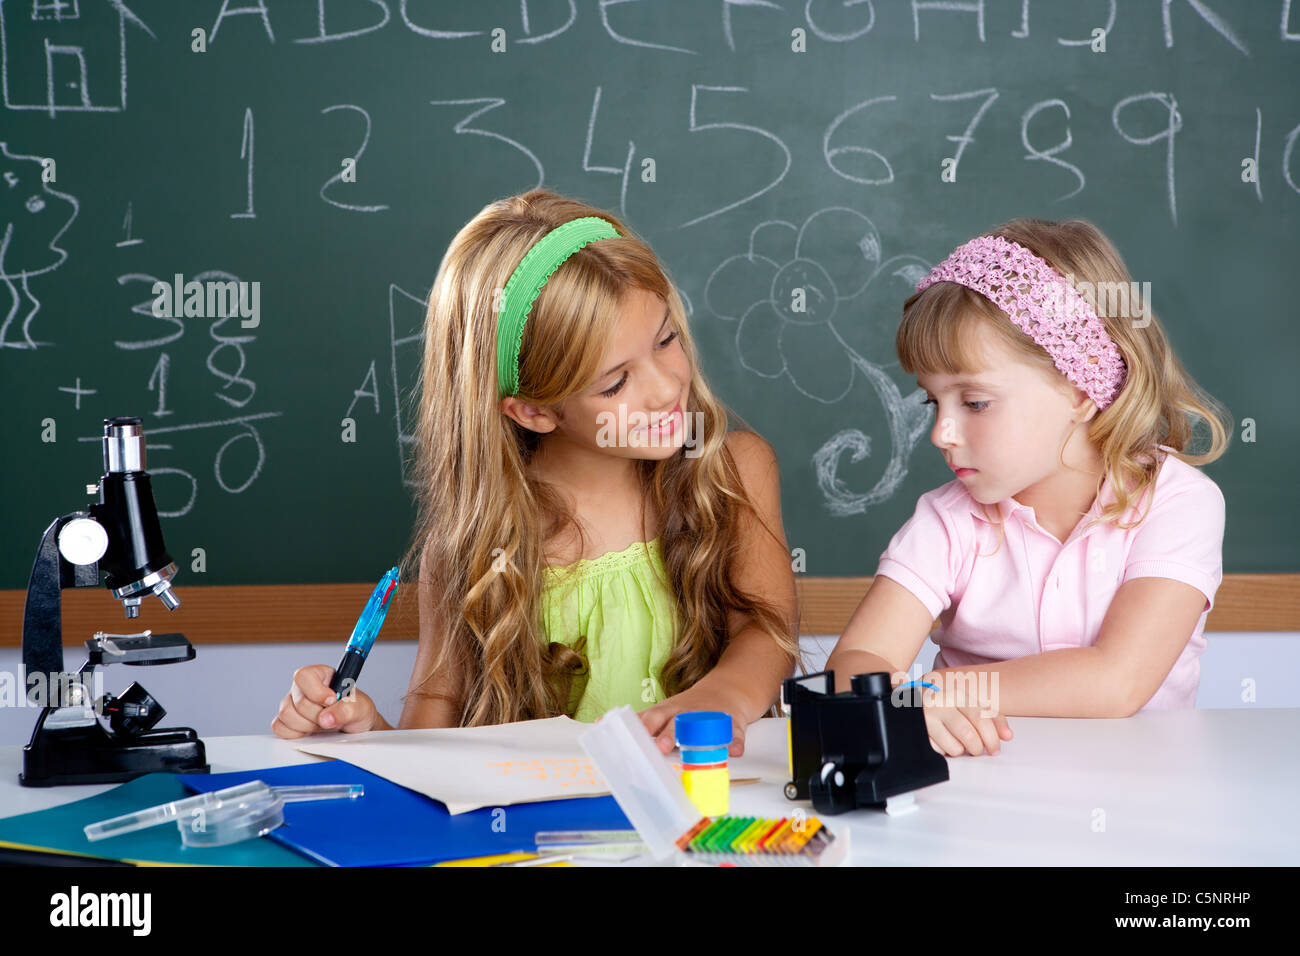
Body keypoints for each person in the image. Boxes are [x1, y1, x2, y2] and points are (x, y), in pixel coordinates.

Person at [273, 189, 799, 755]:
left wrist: (720, 696)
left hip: (700, 812)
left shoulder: (732, 472)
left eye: (666, 339)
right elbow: (430, 745)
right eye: (616, 383)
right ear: (534, 410)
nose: (667, 387)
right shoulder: (467, 550)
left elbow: (765, 634)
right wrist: (362, 729)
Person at [826, 219, 1230, 757]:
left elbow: (1116, 681)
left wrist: (934, 690)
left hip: (1142, 803)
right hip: (981, 801)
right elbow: (850, 669)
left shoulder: (1178, 504)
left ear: (1082, 388)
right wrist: (891, 691)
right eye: (933, 401)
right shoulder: (947, 522)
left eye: (974, 403)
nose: (940, 433)